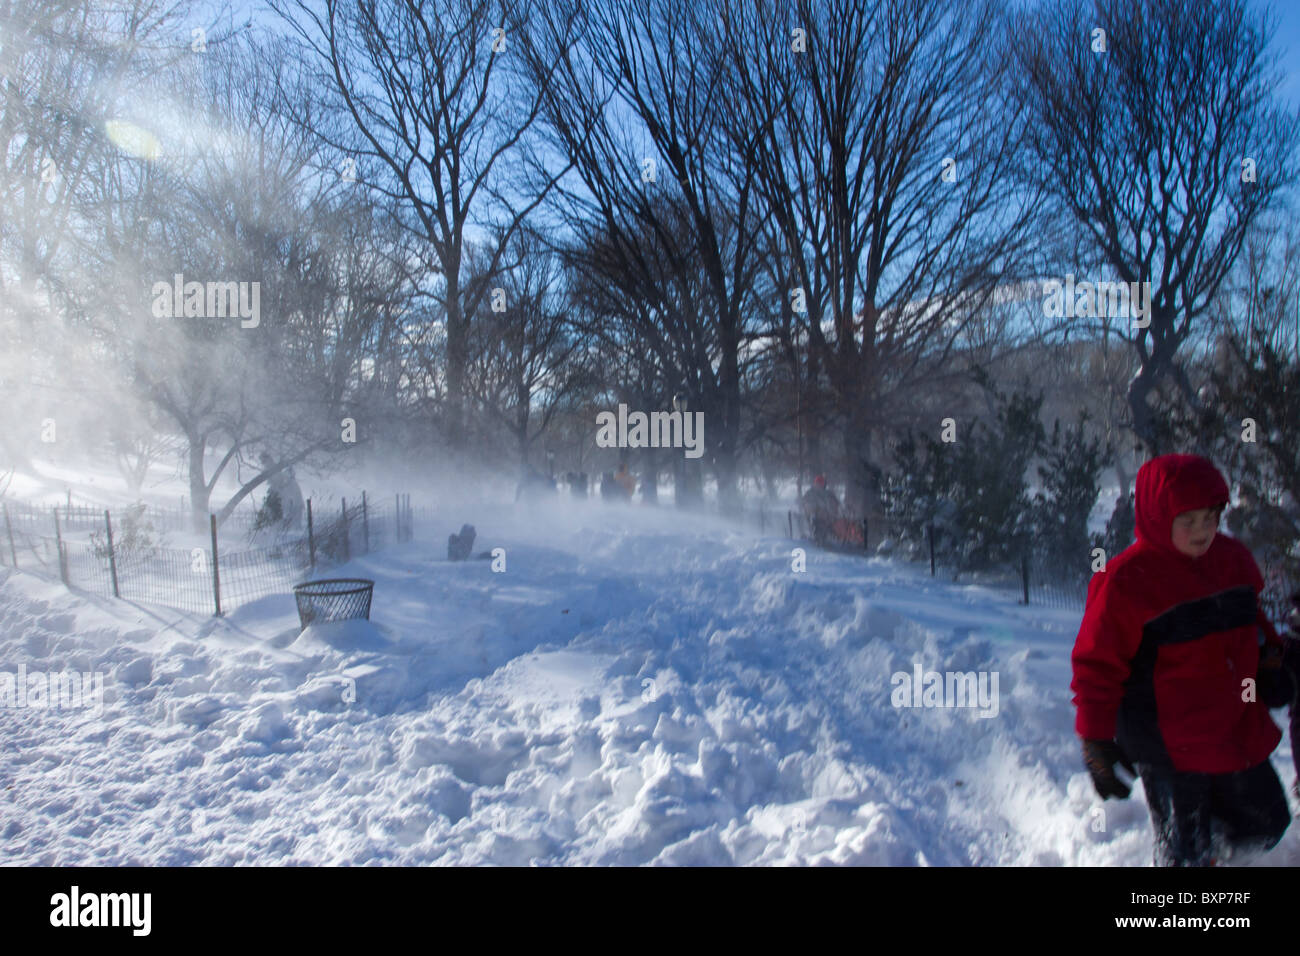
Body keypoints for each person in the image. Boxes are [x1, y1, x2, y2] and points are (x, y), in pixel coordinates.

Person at [1071, 453, 1290, 866]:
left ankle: (1223, 857)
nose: (1202, 531)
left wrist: (1271, 660)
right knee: (1184, 853)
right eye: (1187, 521)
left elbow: (1253, 621)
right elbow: (1095, 667)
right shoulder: (1126, 583)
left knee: (1268, 823)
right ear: (1157, 515)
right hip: (1166, 741)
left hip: (1232, 727)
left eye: (1210, 518)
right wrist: (1095, 739)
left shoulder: (1232, 560)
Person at [801, 475, 840, 547]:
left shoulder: (828, 493)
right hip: (814, 517)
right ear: (815, 484)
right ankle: (818, 540)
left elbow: (836, 504)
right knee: (817, 524)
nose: (819, 485)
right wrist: (814, 509)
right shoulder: (810, 493)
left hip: (828, 518)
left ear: (824, 484)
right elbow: (804, 503)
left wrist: (832, 511)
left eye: (821, 483)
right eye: (818, 483)